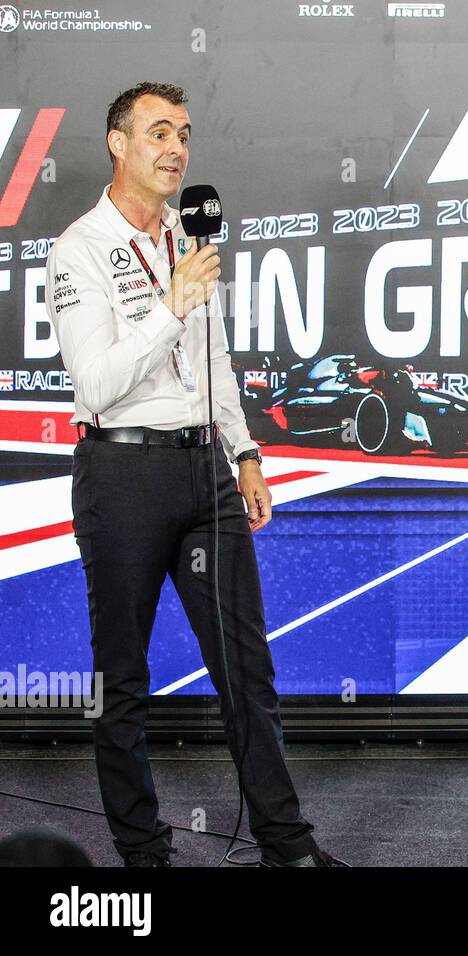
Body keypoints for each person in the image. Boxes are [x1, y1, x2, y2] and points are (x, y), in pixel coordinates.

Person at [45, 82, 333, 867]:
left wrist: (244, 455)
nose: (176, 148)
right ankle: (145, 859)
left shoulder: (185, 235)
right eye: (158, 133)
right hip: (122, 474)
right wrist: (171, 304)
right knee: (124, 685)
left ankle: (288, 845)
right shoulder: (78, 249)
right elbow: (96, 384)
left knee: (249, 670)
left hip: (205, 472)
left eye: (185, 134)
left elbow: (212, 360)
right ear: (118, 143)